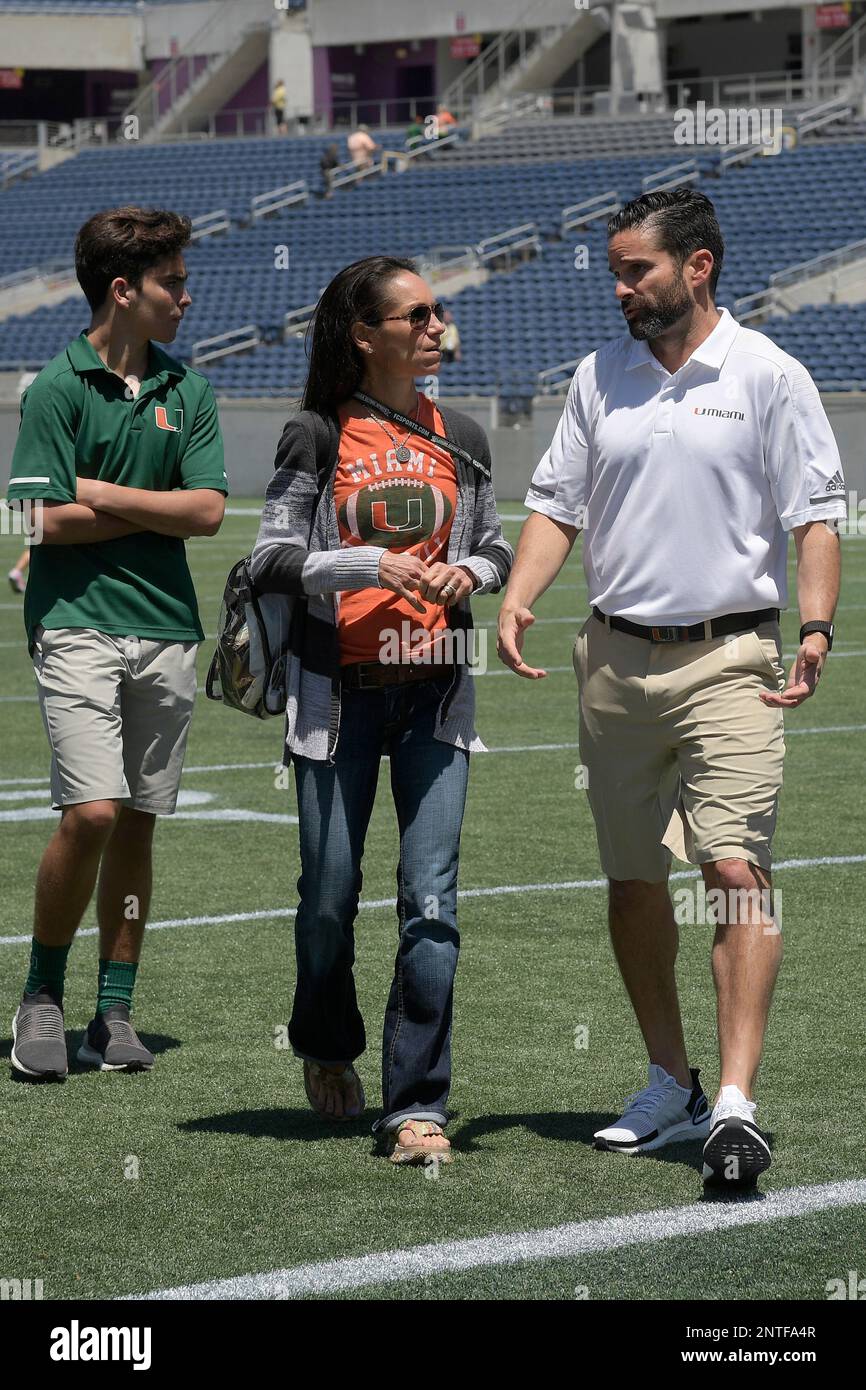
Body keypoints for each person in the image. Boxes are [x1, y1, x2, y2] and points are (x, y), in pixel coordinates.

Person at [498, 188, 844, 1188]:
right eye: (613, 269)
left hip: (730, 658)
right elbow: (556, 505)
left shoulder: (768, 373)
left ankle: (733, 1102)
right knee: (632, 881)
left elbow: (813, 516)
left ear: (695, 267)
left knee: (730, 869)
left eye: (634, 268)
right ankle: (667, 1079)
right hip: (610, 661)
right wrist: (520, 595)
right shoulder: (595, 375)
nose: (618, 288)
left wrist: (813, 627)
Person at [250, 256, 512, 1164]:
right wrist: (371, 564)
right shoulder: (316, 434)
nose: (436, 327)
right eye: (417, 315)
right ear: (365, 335)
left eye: (438, 313)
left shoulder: (465, 432)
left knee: (431, 903)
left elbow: (495, 546)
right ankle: (325, 1041)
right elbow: (269, 557)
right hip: (336, 702)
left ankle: (415, 1107)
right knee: (328, 899)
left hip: (436, 693)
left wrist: (466, 572)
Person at [5, 206, 227, 1081]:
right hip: (75, 625)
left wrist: (94, 494)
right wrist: (143, 508)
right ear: (123, 289)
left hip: (168, 628)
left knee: (137, 822)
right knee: (91, 811)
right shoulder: (55, 388)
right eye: (171, 281)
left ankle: (115, 1011)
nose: (185, 294)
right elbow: (28, 520)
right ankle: (41, 996)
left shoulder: (189, 389)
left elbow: (207, 512)